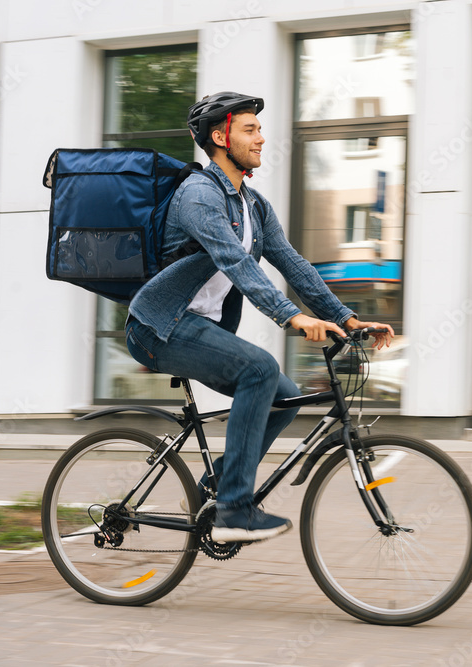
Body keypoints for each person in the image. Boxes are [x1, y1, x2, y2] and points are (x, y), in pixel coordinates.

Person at [125, 91, 394, 543]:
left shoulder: (253, 205)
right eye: (250, 130)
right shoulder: (199, 195)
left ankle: (217, 486)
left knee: (285, 395)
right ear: (220, 137)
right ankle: (234, 511)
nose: (261, 138)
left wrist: (348, 320)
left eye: (259, 129)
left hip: (196, 329)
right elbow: (235, 262)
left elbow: (294, 265)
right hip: (158, 327)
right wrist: (291, 317)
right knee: (260, 369)